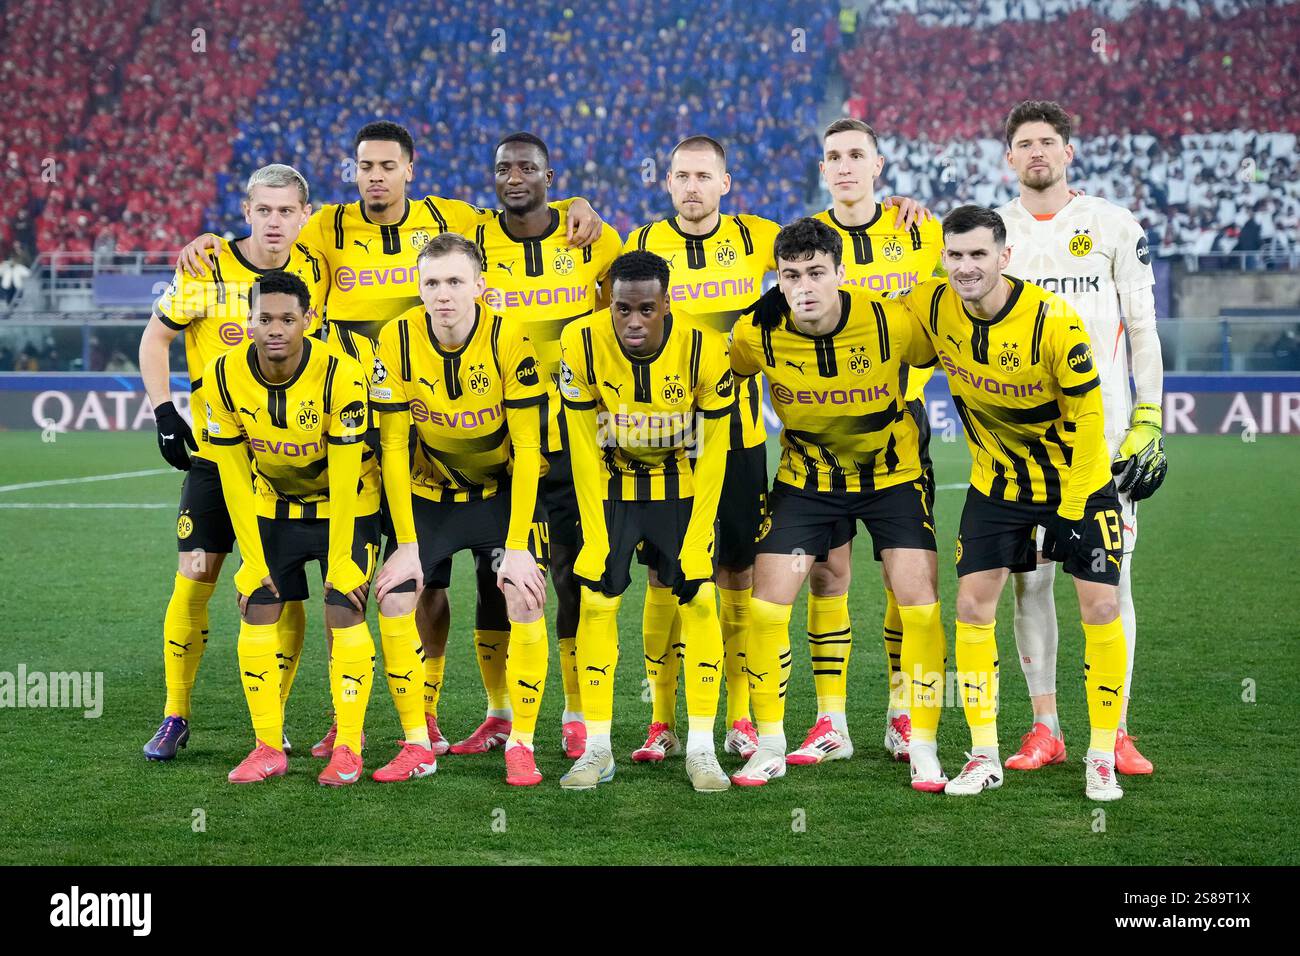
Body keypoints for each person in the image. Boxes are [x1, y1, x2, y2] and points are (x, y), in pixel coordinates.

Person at [175, 121, 606, 758]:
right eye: (364, 165)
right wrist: (215, 241)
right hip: (366, 420)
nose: (374, 175)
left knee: (542, 573)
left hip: (512, 424)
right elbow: (273, 231)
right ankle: (398, 721)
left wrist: (576, 205)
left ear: (410, 167)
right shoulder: (324, 227)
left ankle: (552, 714)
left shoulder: (449, 217)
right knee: (400, 580)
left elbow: (523, 203)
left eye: (386, 164)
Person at [899, 205, 1129, 802]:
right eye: (955, 255)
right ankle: (983, 754)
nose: (966, 266)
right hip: (997, 485)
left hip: (1075, 482)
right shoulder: (929, 305)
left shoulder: (1055, 322)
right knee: (973, 608)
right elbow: (860, 319)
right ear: (943, 258)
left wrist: (1075, 508)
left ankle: (1100, 754)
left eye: (979, 254)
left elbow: (1088, 416)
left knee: (1101, 607)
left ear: (1005, 257)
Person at [728, 218, 947, 791]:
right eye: (791, 275)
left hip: (892, 477)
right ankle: (775, 743)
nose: (804, 287)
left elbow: (952, 341)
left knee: (917, 599)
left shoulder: (891, 321)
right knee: (769, 605)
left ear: (841, 275)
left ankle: (920, 738)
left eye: (817, 273)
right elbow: (723, 368)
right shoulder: (757, 334)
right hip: (808, 482)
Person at [996, 101, 1165, 778]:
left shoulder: (1115, 227)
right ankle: (1046, 729)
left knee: (1111, 584)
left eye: (1048, 141)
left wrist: (1149, 419)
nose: (1036, 151)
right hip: (1021, 444)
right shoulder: (995, 231)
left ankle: (1115, 729)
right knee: (1028, 585)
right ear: (1009, 157)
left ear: (1069, 151)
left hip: (1104, 441)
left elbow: (1145, 332)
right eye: (1024, 143)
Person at [138, 164, 327, 761]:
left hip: (283, 460)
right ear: (246, 212)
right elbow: (154, 339)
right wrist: (165, 413)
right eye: (263, 211)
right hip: (215, 457)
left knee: (283, 588)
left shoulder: (316, 271)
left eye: (286, 211)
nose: (274, 222)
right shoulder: (207, 265)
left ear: (305, 215)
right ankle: (175, 713)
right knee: (195, 574)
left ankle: (274, 721)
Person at [369, 234, 551, 786]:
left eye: (454, 282)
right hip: (430, 497)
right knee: (397, 595)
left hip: (501, 496)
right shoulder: (396, 339)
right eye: (431, 283)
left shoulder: (510, 338)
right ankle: (417, 742)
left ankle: (519, 739)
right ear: (418, 288)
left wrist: (517, 548)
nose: (442, 294)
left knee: (522, 595)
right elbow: (394, 447)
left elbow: (526, 450)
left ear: (480, 287)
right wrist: (405, 545)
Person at [466, 132, 623, 761]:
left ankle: (576, 714)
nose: (513, 177)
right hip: (498, 447)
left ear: (550, 176)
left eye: (527, 167)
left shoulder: (591, 237)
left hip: (573, 442)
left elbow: (626, 310)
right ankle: (499, 713)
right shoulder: (473, 234)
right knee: (493, 580)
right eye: (503, 168)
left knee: (570, 575)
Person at [794, 117, 945, 767]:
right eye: (834, 157)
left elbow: (961, 293)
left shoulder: (920, 231)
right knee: (827, 573)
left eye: (858, 154)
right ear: (822, 170)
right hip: (821, 427)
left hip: (899, 423)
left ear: (879, 166)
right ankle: (831, 721)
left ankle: (900, 713)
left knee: (903, 576)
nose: (846, 165)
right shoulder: (801, 243)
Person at [557, 251, 733, 792]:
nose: (632, 322)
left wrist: (701, 536)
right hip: (611, 485)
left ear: (667, 304)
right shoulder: (579, 343)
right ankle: (598, 749)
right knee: (595, 600)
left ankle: (702, 751)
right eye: (622, 309)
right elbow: (583, 449)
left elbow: (715, 451)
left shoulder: (705, 348)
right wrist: (592, 535)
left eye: (646, 310)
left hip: (680, 483)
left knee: (701, 597)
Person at [204, 270, 382, 786]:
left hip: (345, 507)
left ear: (309, 319)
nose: (275, 328)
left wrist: (345, 557)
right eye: (264, 318)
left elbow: (347, 473)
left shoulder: (340, 375)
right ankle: (267, 746)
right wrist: (252, 560)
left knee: (344, 610)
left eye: (287, 318)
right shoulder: (221, 376)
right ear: (249, 321)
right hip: (273, 508)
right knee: (256, 607)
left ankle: (348, 744)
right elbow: (233, 476)